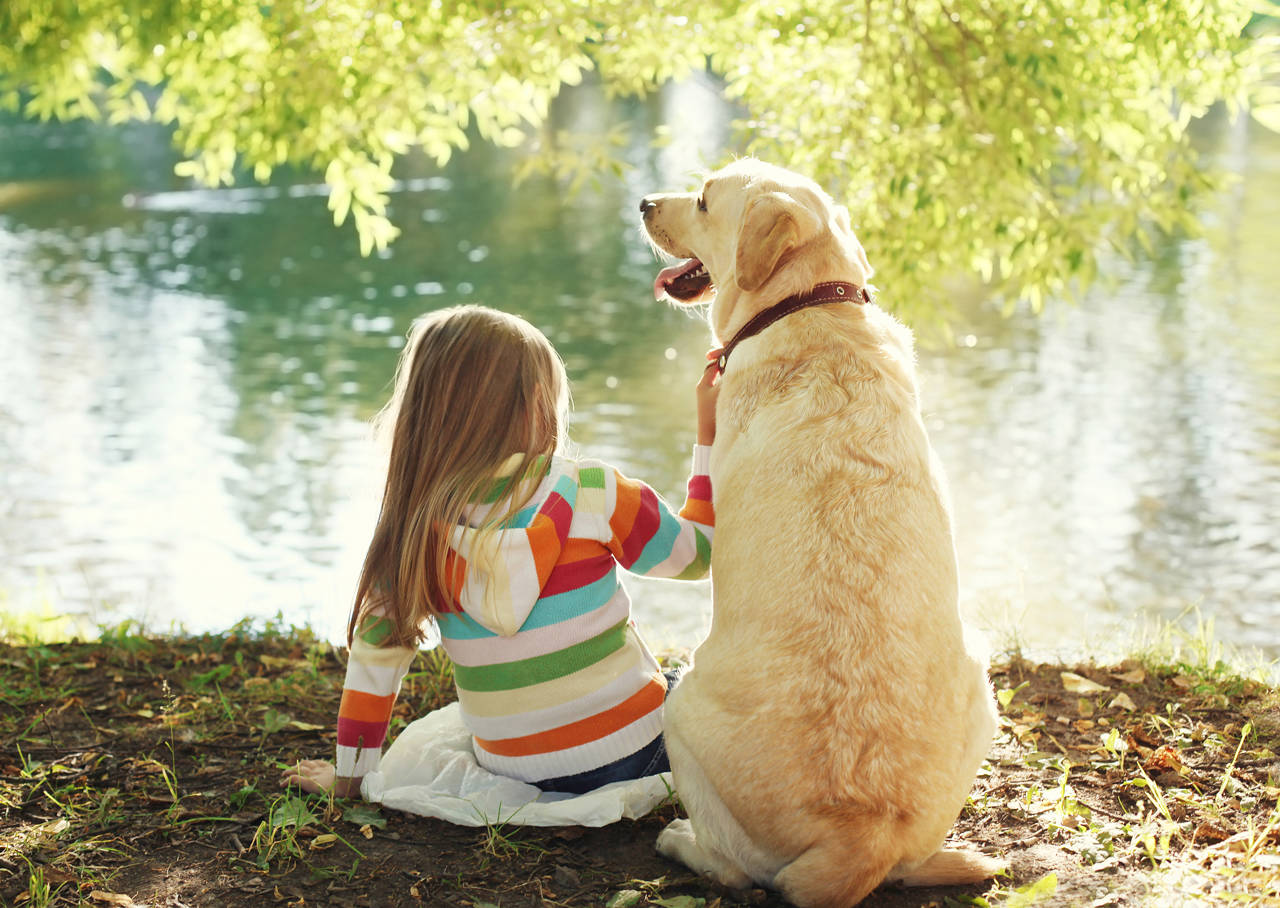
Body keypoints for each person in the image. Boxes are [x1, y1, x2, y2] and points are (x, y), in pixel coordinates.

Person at [282, 304, 718, 799]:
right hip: (637, 752)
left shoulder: (412, 531)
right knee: (698, 684)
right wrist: (710, 436)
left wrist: (348, 781)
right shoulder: (591, 490)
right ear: (536, 405)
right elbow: (700, 554)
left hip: (513, 773)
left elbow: (372, 669)